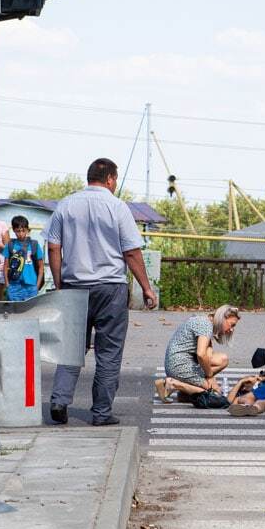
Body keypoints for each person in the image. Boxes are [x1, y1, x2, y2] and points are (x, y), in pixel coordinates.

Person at [46, 158, 158, 426]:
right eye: (115, 180)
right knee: (108, 352)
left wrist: (60, 283)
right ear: (109, 179)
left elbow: (53, 247)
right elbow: (131, 251)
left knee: (71, 347)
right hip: (110, 289)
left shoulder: (66, 205)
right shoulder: (117, 207)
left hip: (74, 287)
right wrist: (146, 287)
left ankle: (59, 400)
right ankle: (101, 413)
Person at [156, 305, 241, 402]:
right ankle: (172, 384)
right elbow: (201, 354)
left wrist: (208, 378)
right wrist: (210, 377)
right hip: (179, 365)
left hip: (178, 362)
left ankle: (184, 393)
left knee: (223, 359)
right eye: (232, 324)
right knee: (213, 396)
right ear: (222, 318)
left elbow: (207, 356)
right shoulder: (205, 325)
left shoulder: (206, 322)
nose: (232, 329)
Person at [1, 215, 44, 302]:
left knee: (30, 313)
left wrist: (37, 286)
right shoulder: (10, 245)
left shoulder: (34, 245)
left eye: (23, 230)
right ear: (13, 230)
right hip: (14, 287)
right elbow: (5, 267)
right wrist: (7, 285)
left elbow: (41, 267)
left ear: (27, 230)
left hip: (31, 286)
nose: (21, 234)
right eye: (18, 231)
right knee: (14, 313)